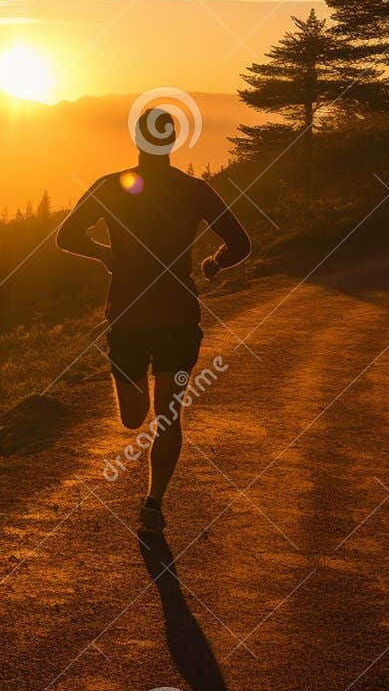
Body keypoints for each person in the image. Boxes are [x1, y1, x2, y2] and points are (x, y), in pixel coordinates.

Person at [55, 107, 250, 540]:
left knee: (157, 414)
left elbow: (66, 236)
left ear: (137, 139)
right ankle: (155, 500)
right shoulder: (194, 191)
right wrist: (216, 263)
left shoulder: (111, 187)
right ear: (172, 141)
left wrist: (106, 254)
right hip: (176, 316)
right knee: (150, 415)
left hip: (132, 319)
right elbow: (240, 243)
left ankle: (153, 503)